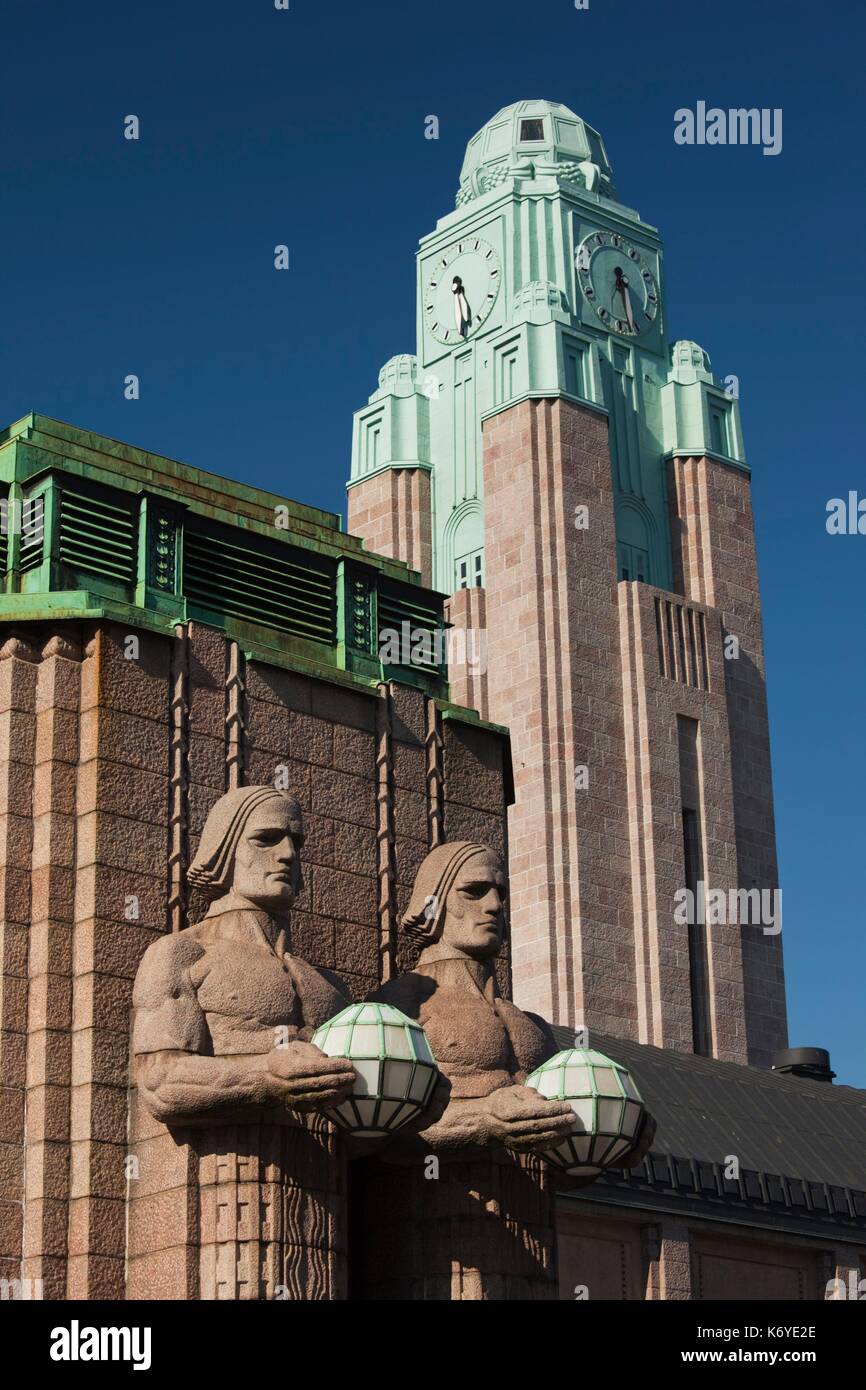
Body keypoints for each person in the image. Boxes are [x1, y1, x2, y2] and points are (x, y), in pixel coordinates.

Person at [132, 785, 356, 1126]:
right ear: (223, 851)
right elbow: (159, 1082)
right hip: (223, 1165)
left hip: (329, 1172)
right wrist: (265, 1075)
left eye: (296, 843)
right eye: (266, 839)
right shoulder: (184, 954)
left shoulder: (332, 988)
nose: (287, 855)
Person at [370, 841, 576, 1154]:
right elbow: (369, 1135)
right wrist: (482, 1119)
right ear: (432, 904)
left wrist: (615, 1142)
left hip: (528, 1200)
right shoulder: (398, 1006)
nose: (494, 905)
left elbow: (567, 1161)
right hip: (432, 1194)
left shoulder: (533, 1026)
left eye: (500, 893)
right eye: (474, 891)